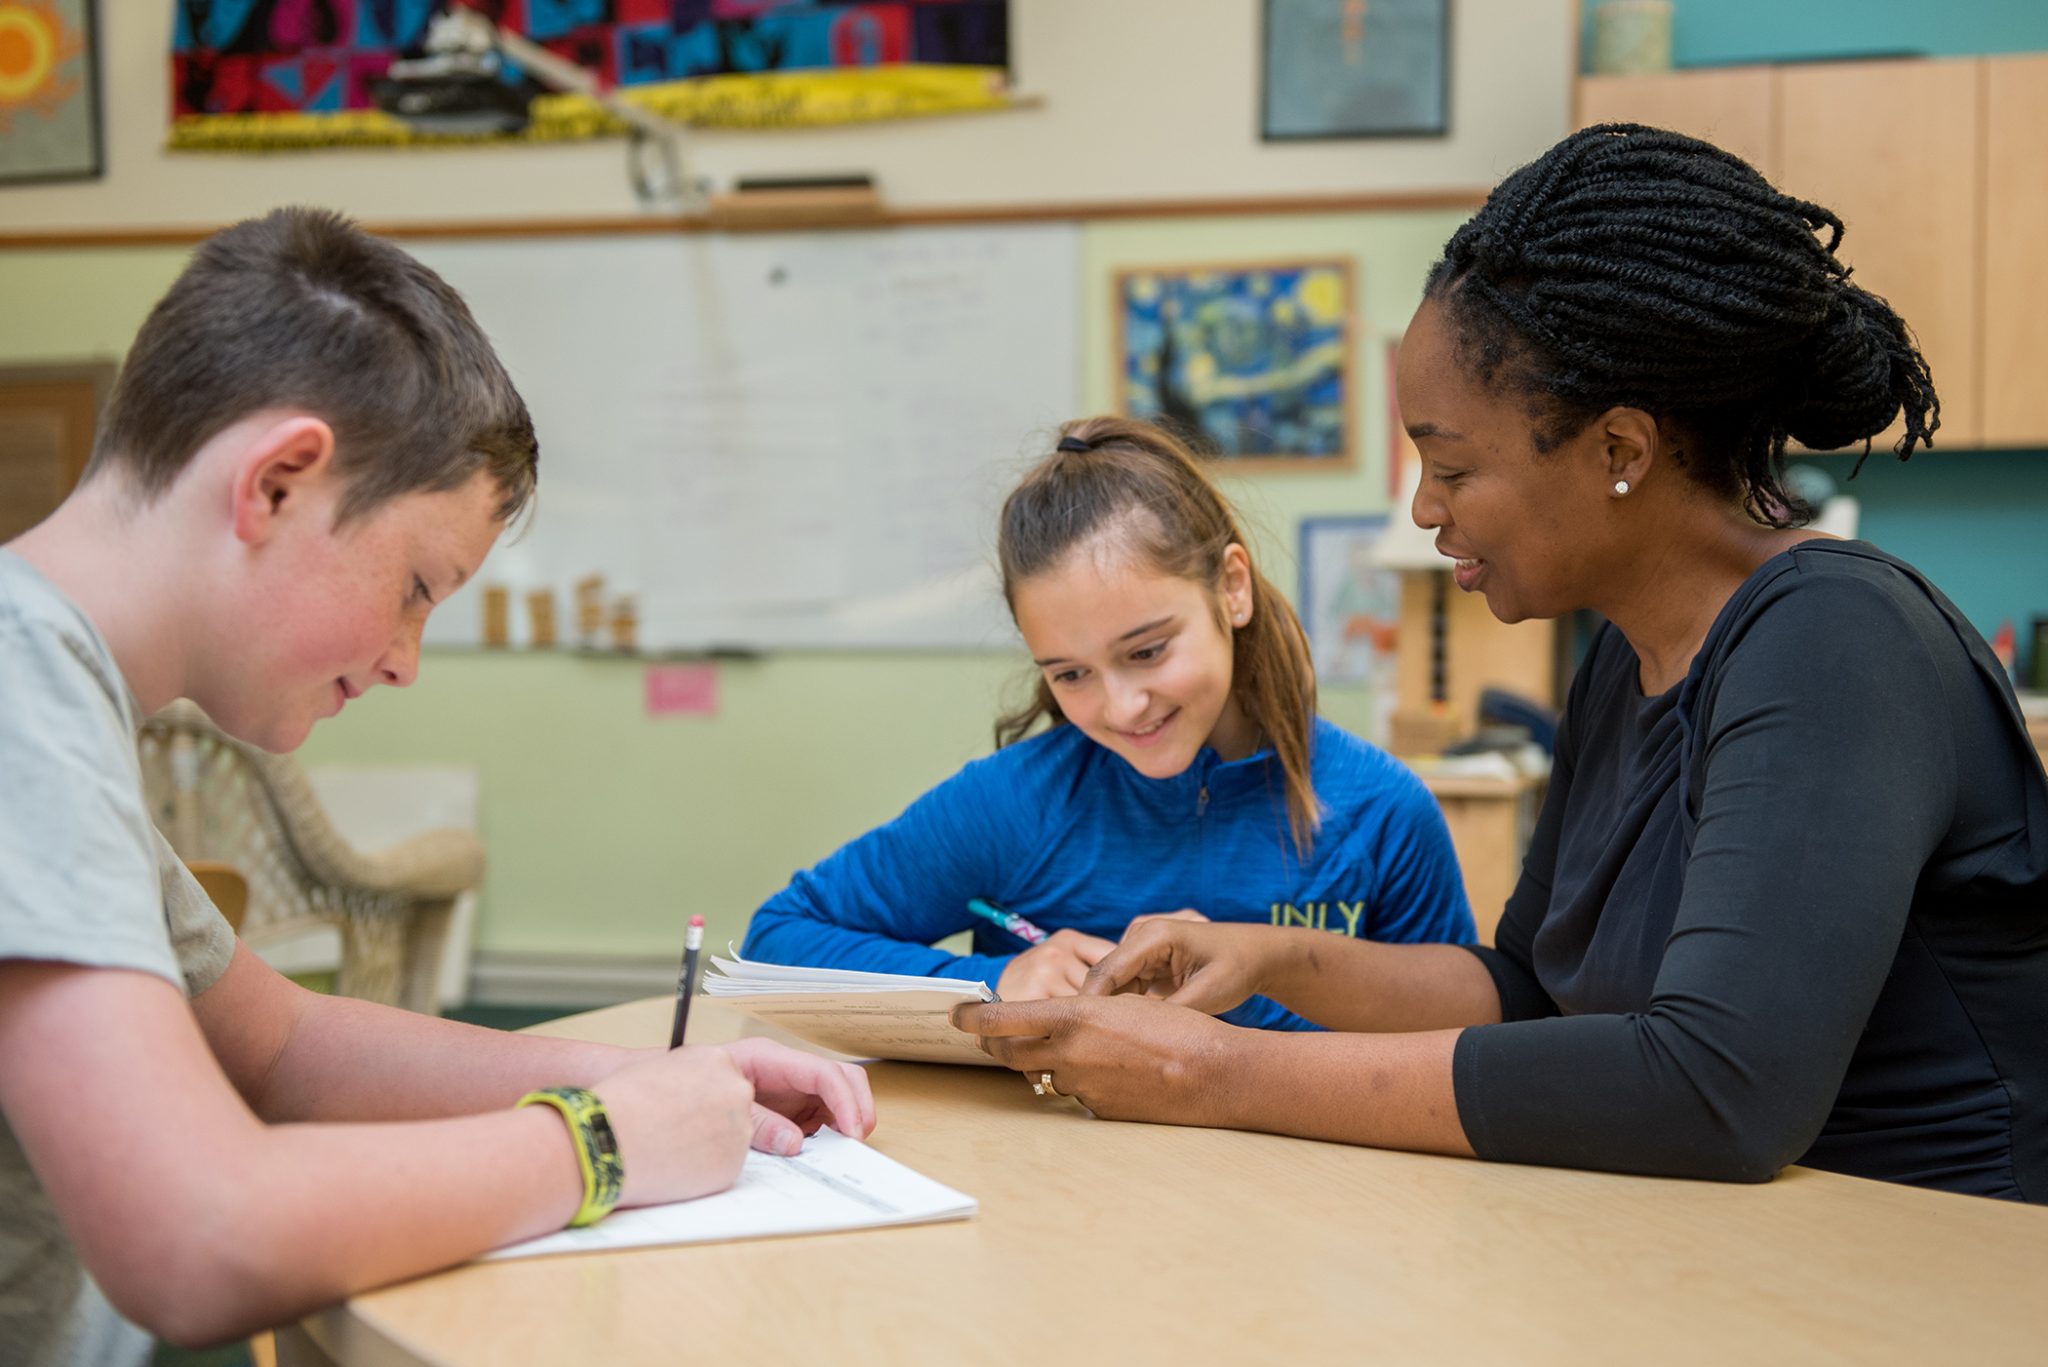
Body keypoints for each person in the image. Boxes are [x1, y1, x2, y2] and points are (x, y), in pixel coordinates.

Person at [955, 124, 2048, 1201]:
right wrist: (1262, 956)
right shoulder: (1623, 662)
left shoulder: (1831, 638)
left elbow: (1714, 1090)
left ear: (1618, 448)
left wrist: (1213, 1069)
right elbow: (1525, 989)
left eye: (1451, 465)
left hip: (1929, 1260)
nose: (1426, 508)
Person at [0, 208, 875, 1362]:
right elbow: (194, 1237)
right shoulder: (19, 688)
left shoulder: (56, 688)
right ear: (275, 484)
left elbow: (279, 1048)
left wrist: (643, 1073)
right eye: (416, 583)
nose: (408, 658)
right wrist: (598, 1140)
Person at [742, 416, 1473, 1024]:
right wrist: (995, 980)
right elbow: (776, 936)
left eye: (1148, 650)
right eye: (1069, 674)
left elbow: (1456, 1031)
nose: (1121, 706)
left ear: (1233, 587)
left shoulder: (1382, 812)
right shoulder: (1012, 803)